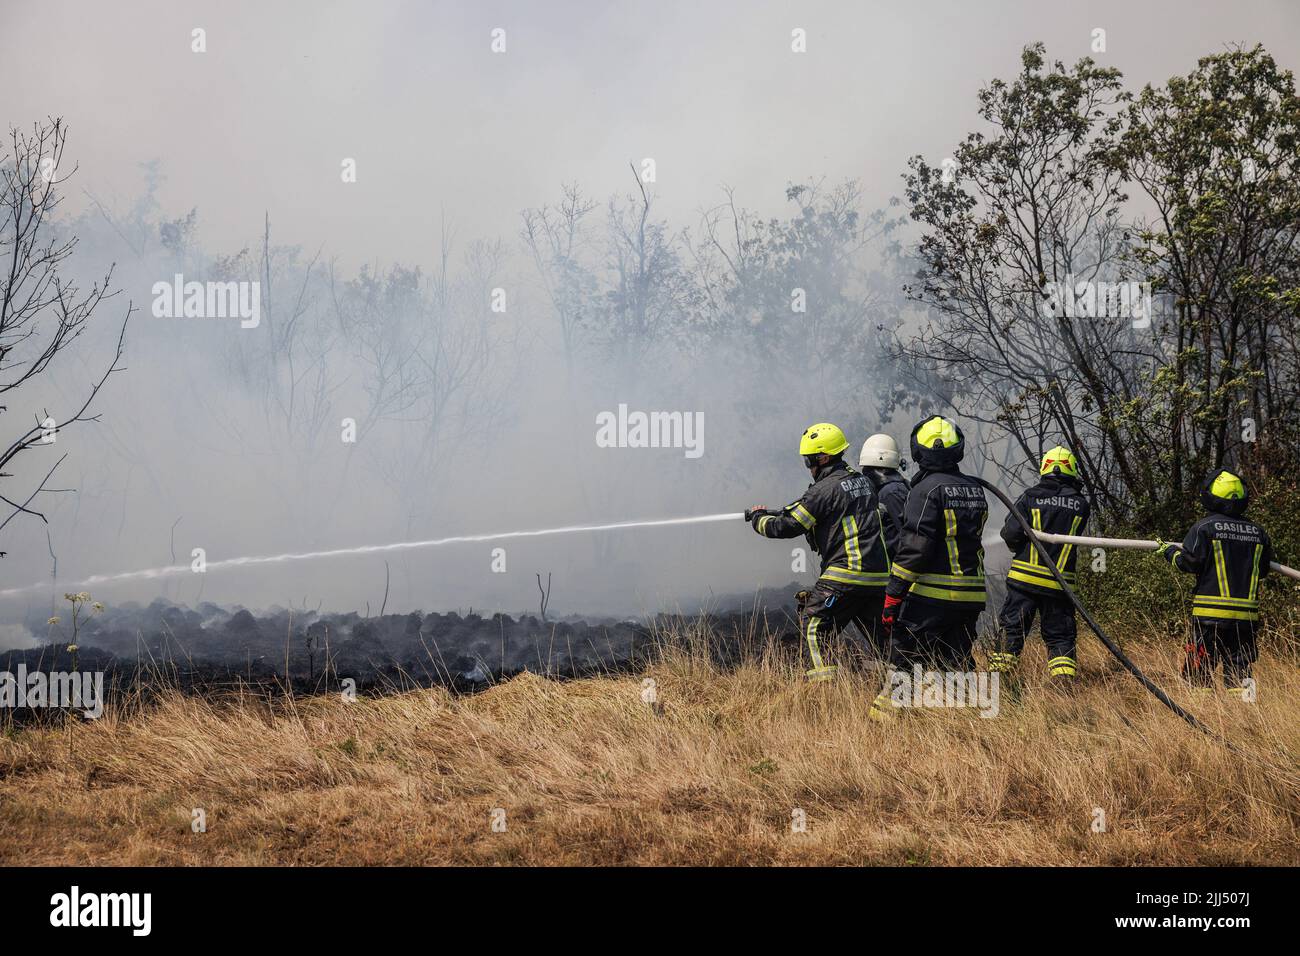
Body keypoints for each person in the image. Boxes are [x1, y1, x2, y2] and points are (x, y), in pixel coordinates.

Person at [746, 423, 888, 680]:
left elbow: (787, 525)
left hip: (846, 573)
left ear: (823, 457)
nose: (808, 466)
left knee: (814, 624)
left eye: (808, 461)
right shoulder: (863, 482)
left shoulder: (823, 490)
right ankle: (888, 688)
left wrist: (758, 519)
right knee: (882, 639)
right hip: (878, 576)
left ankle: (823, 690)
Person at [872, 416, 988, 719]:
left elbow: (915, 547)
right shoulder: (975, 489)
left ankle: (888, 718)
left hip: (934, 594)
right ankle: (968, 718)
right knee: (957, 659)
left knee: (905, 653)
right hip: (971, 595)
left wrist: (893, 595)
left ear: (918, 451)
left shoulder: (926, 490)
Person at [1155, 469, 1273, 697]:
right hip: (1246, 620)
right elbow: (1264, 570)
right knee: (1241, 670)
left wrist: (1168, 551)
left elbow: (1189, 564)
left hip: (1209, 617)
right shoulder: (1259, 533)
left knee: (1198, 669)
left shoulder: (1205, 528)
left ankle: (1202, 713)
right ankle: (1247, 719)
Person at [991, 446, 1091, 680]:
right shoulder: (1080, 504)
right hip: (1059, 585)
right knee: (1060, 636)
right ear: (1072, 469)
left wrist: (1018, 548)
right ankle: (1063, 683)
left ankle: (1000, 681)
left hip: (1024, 581)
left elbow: (1010, 532)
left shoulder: (1030, 496)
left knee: (1013, 629)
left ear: (1045, 468)